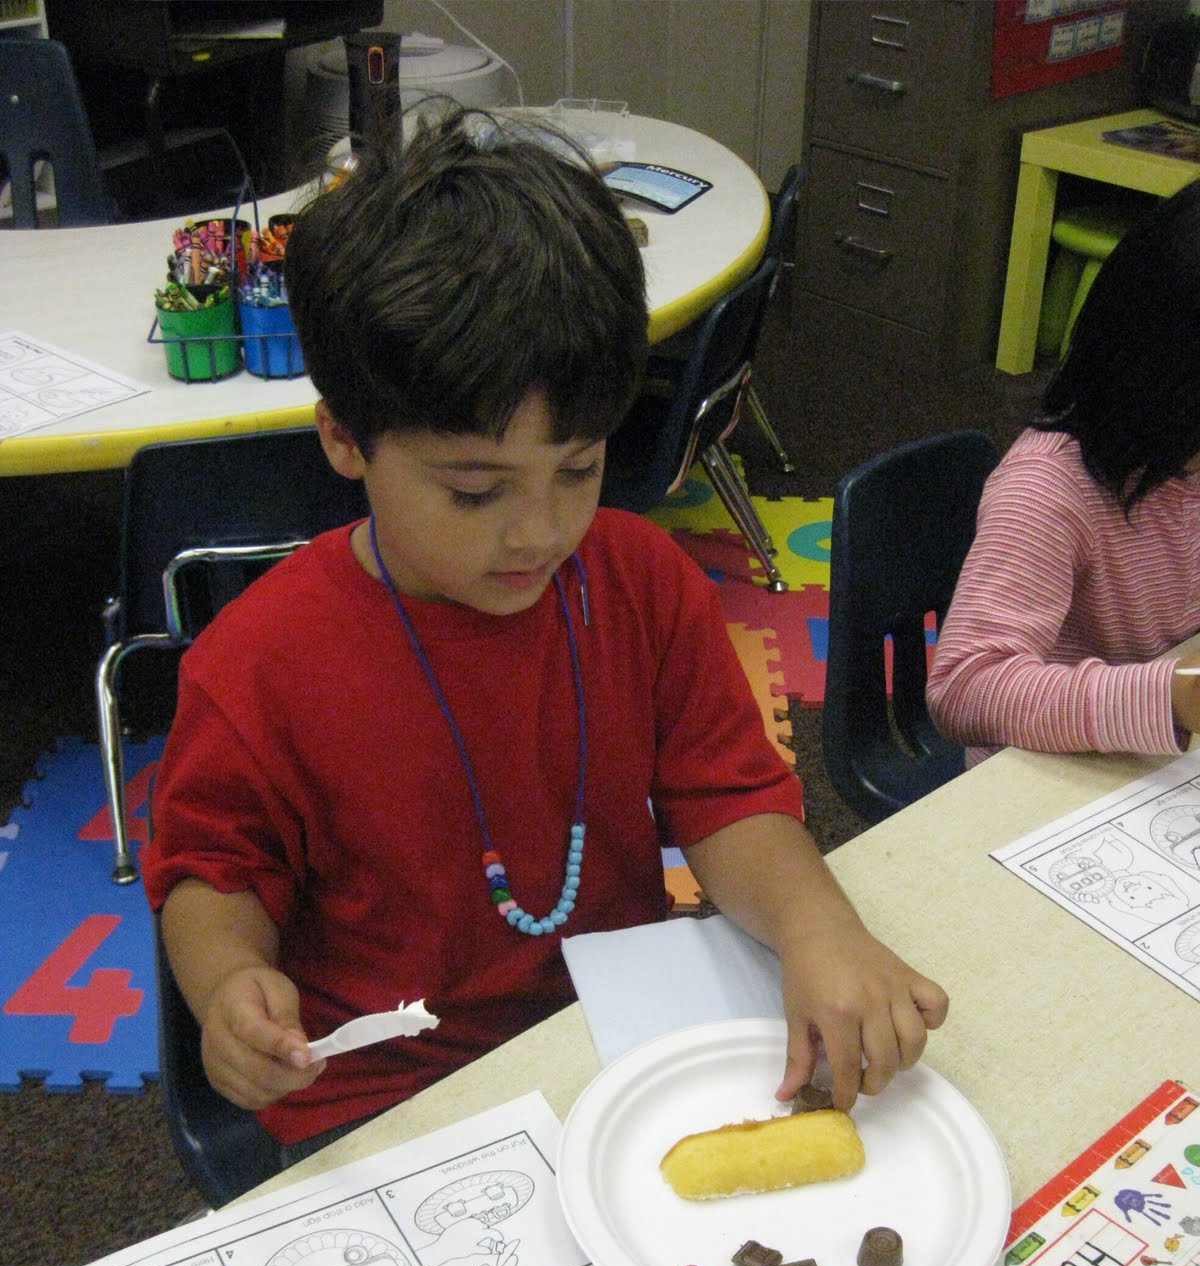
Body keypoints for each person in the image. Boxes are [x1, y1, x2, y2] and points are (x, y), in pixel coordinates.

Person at [141, 107, 947, 1165]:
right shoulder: (258, 662)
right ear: (344, 436)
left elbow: (728, 797)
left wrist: (818, 927)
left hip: (613, 1029)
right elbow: (214, 872)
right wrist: (228, 986)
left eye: (579, 468)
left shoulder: (640, 581)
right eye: (475, 492)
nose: (539, 532)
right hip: (382, 1090)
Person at [926, 178, 1200, 766]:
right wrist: (1172, 694)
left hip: (1154, 762)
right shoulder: (1048, 488)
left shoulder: (1184, 459)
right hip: (1052, 775)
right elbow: (963, 685)